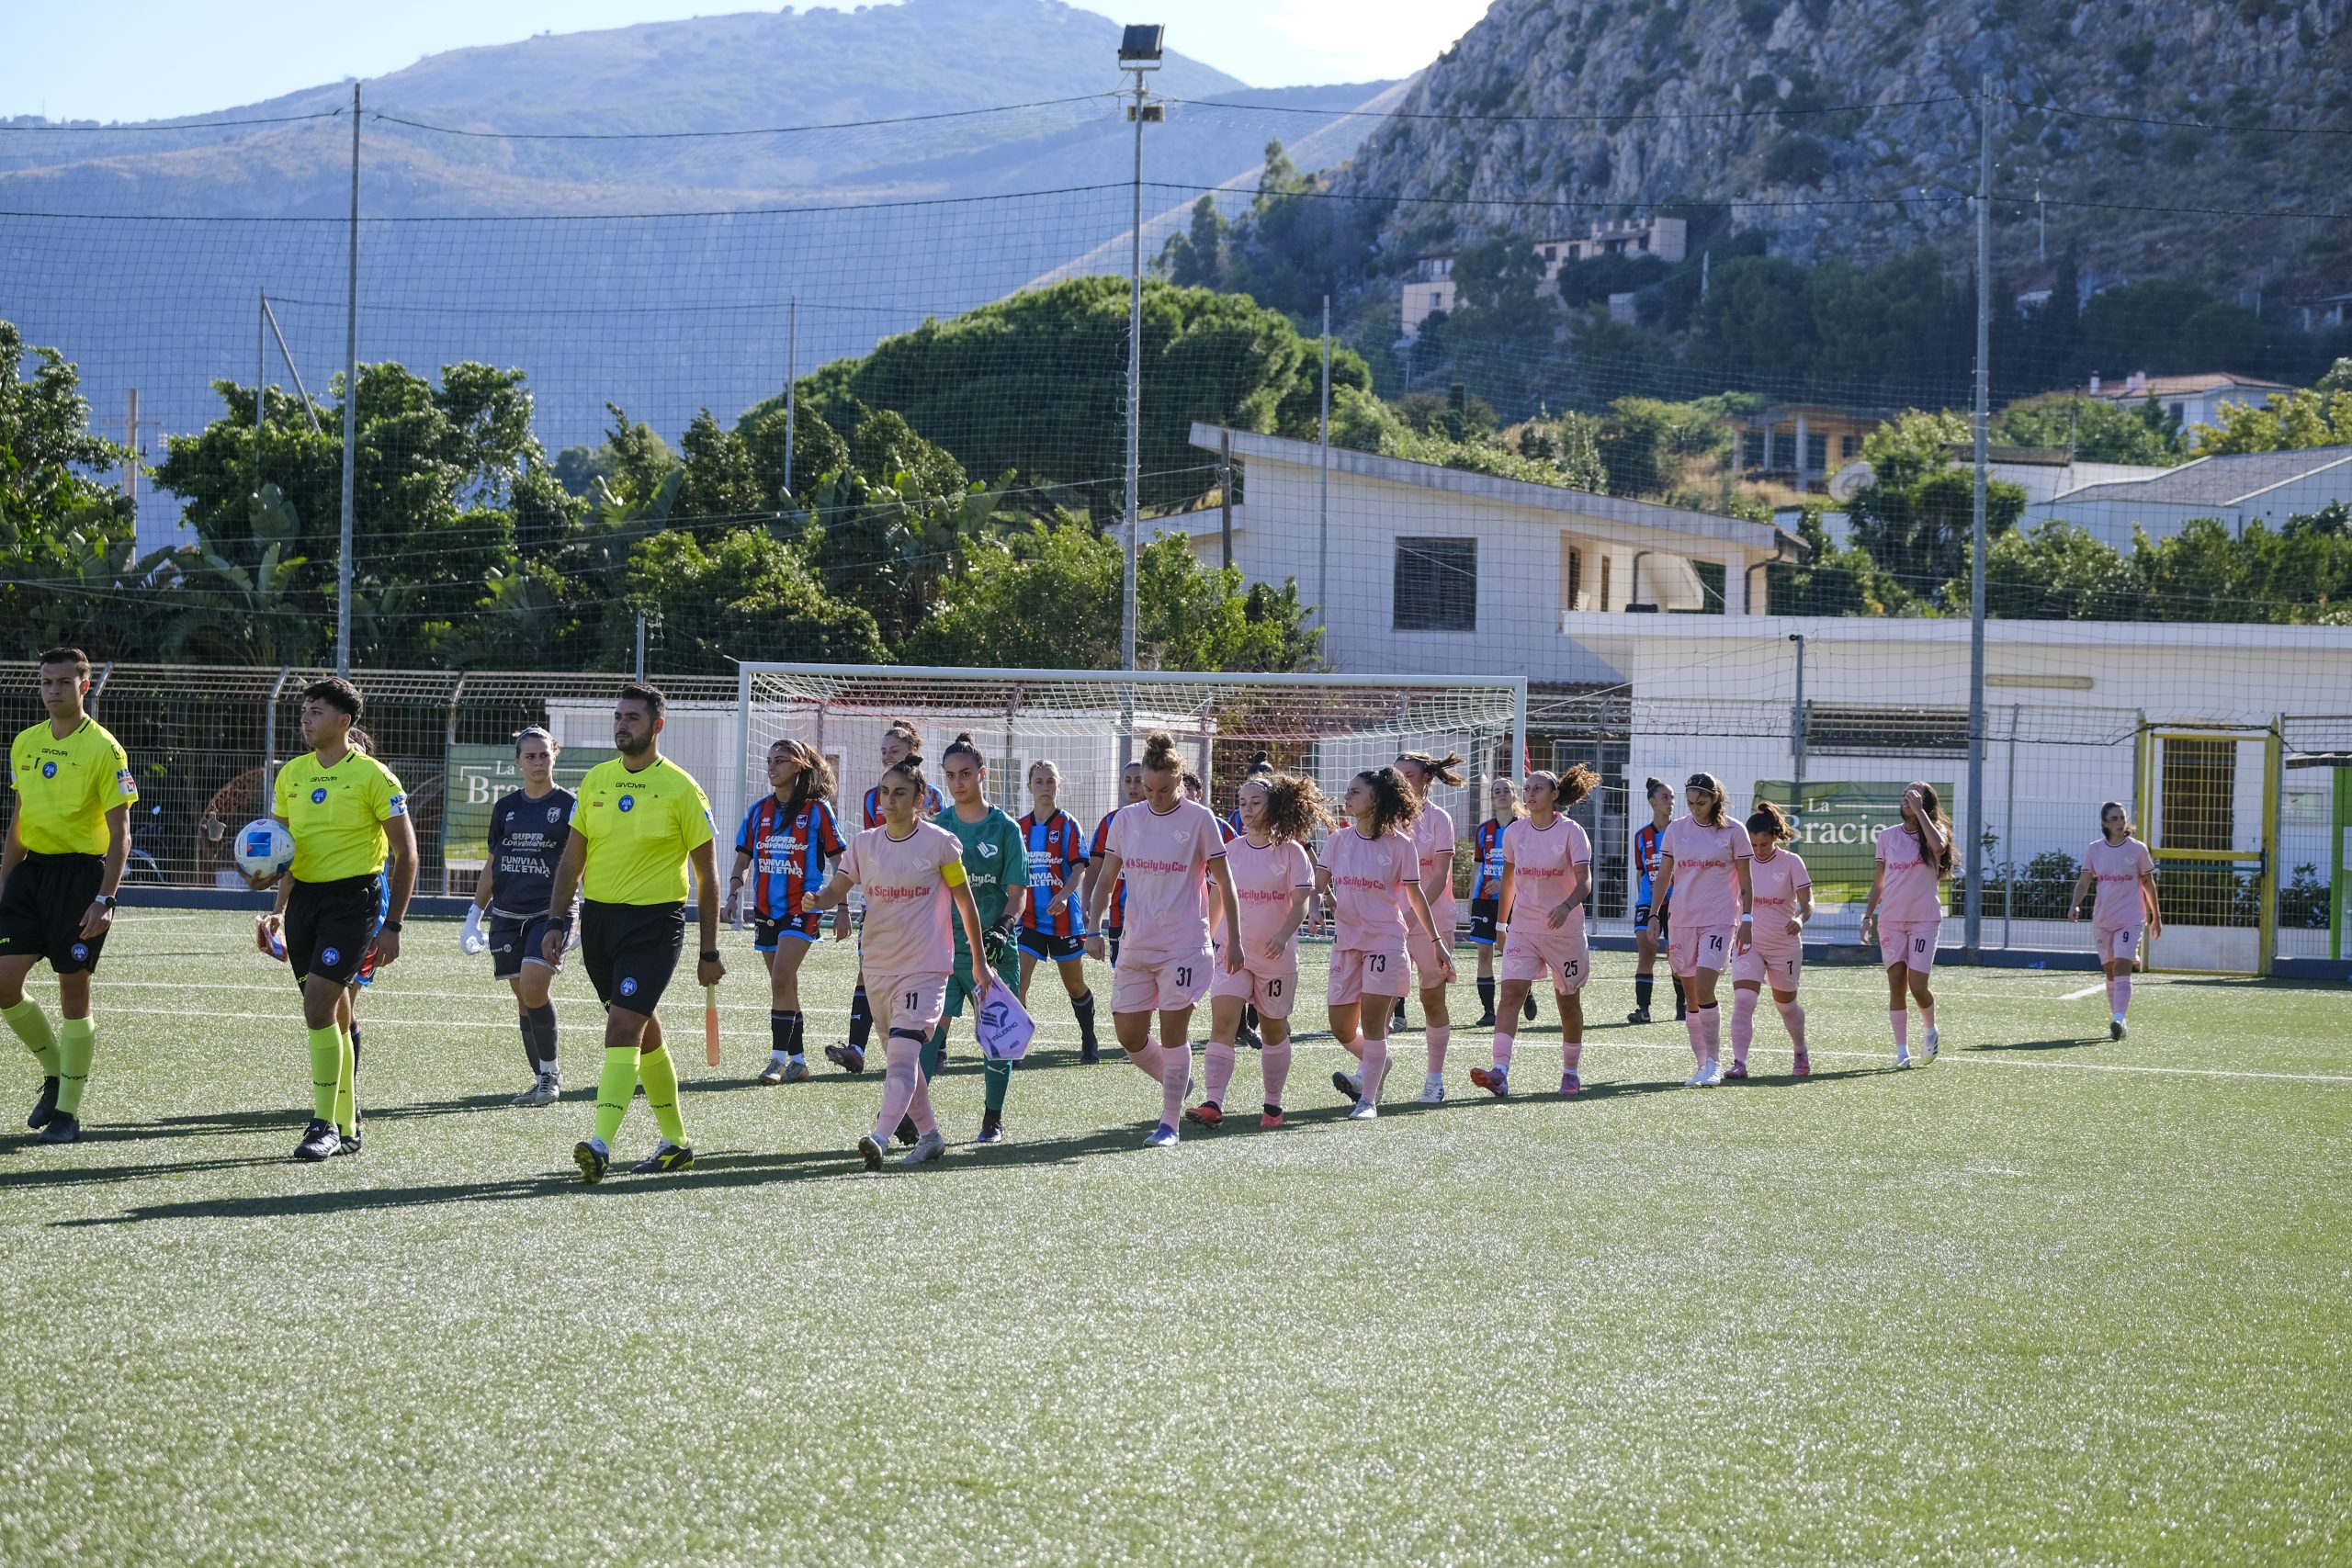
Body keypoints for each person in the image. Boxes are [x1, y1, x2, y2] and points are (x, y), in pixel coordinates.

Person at [541, 684, 723, 1182]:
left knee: (622, 1027)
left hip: (654, 925)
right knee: (643, 1031)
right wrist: (557, 920)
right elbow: (572, 860)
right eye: (618, 717)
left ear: (657, 726)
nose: (623, 725)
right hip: (599, 924)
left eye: (634, 718)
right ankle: (677, 1143)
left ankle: (599, 1144)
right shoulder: (597, 780)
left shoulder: (682, 789)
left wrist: (709, 950)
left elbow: (707, 877)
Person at [254, 678, 417, 1160]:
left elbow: (407, 855)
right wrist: (277, 908)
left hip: (355, 901)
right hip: (305, 901)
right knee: (336, 1014)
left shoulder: (374, 777)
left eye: (317, 711)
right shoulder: (291, 776)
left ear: (344, 721)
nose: (305, 717)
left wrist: (394, 925)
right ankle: (348, 1124)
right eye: (304, 709)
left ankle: (322, 1124)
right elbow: (281, 854)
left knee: (320, 1008)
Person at [808, 751, 990, 1170]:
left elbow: (966, 906)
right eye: (885, 792)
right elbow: (839, 887)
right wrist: (819, 898)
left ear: (921, 800)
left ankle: (881, 1136)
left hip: (926, 967)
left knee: (905, 1055)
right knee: (901, 1060)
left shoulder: (940, 844)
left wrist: (978, 963)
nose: (889, 801)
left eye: (900, 794)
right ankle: (930, 1137)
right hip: (877, 967)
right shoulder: (864, 844)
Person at [1, 648, 136, 1146]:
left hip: (82, 879)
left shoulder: (105, 749)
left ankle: (67, 1114)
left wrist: (106, 897)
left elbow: (121, 831)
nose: (53, 690)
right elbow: (19, 820)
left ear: (84, 687)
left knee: (73, 995)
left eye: (63, 681)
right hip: (31, 875)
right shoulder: (24, 743)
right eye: (45, 682)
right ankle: (56, 1070)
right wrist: (3, 884)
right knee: (3, 983)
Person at [1084, 732, 1240, 1147]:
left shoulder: (1200, 820)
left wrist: (1234, 941)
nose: (1154, 797)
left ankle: (1169, 1123)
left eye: (1163, 789)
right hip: (1135, 944)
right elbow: (1106, 879)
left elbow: (1225, 884)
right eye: (1147, 789)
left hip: (1184, 945)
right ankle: (1178, 1081)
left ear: (1180, 779)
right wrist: (1093, 928)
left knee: (1174, 1034)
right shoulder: (1126, 820)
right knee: (1129, 1035)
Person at [1185, 771, 1325, 1131]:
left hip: (1276, 958)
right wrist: (1208, 939)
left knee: (1274, 1030)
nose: (1247, 809)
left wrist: (1282, 936)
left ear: (1273, 806)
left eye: (1255, 802)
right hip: (1232, 953)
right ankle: (1213, 1102)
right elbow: (1217, 898)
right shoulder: (1229, 850)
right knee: (1223, 1023)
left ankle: (1273, 1108)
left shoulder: (1293, 852)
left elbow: (1301, 904)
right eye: (1242, 803)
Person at [1321, 766, 1452, 1122]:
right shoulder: (1337, 841)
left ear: (1376, 800)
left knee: (1376, 1023)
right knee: (1341, 1027)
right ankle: (1378, 1062)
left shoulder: (1400, 845)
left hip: (1386, 942)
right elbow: (1314, 884)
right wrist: (1308, 907)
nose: (1347, 797)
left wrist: (1436, 941)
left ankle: (1368, 1101)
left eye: (1355, 792)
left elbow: (1417, 896)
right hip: (1346, 943)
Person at [917, 734, 1029, 1145]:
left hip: (993, 952)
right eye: (950, 776)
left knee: (997, 1036)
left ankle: (992, 1120)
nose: (958, 782)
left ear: (983, 774)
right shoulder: (936, 828)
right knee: (929, 1030)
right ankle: (913, 1113)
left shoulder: (1005, 829)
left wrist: (1002, 926)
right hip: (944, 951)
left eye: (966, 774)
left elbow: (1017, 893)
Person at [463, 726, 576, 1106]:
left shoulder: (570, 805)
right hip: (507, 914)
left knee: (533, 987)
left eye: (544, 754)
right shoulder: (505, 808)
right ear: (517, 762)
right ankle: (542, 1076)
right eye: (530, 756)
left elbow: (582, 861)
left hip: (551, 912)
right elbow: (494, 862)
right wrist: (474, 914)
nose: (538, 762)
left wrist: (588, 908)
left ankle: (550, 1079)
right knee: (523, 997)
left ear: (555, 755)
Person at [1471, 766, 1598, 1099]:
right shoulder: (1514, 833)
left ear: (1554, 795)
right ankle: (1500, 1071)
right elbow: (1509, 882)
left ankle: (1570, 1072)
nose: (1530, 794)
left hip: (1563, 930)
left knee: (1567, 1004)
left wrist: (1567, 906)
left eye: (1538, 788)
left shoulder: (1572, 832)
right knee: (1511, 993)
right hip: (1523, 927)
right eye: (1527, 788)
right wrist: (1501, 925)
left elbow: (1585, 881)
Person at [727, 739, 842, 1086]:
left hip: (802, 909)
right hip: (765, 911)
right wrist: (734, 893)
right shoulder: (758, 811)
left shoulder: (818, 811)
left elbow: (840, 860)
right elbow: (744, 859)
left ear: (799, 767)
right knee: (785, 984)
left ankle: (776, 1060)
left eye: (780, 761)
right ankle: (799, 1062)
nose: (772, 767)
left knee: (780, 978)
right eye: (769, 761)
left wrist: (842, 905)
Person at [831, 720, 943, 1076]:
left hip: (922, 906)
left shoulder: (932, 796)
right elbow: (871, 849)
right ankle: (856, 1049)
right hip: (881, 901)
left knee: (930, 979)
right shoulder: (871, 797)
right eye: (883, 751)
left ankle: (934, 1051)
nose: (886, 757)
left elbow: (935, 849)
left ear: (912, 753)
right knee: (867, 972)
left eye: (893, 751)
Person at [1654, 772, 1751, 1088]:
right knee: (1691, 997)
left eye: (1702, 802)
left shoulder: (1735, 831)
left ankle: (1713, 1063)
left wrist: (1747, 920)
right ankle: (1702, 1065)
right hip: (1682, 919)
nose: (1696, 808)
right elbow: (1664, 875)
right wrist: (1655, 915)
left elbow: (1747, 883)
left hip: (1720, 919)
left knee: (1706, 985)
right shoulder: (1675, 830)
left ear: (1715, 799)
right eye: (1691, 802)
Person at [1860, 782, 1951, 1068]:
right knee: (1896, 984)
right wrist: (1867, 916)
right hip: (1891, 921)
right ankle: (1902, 1051)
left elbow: (1938, 846)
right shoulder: (1887, 837)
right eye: (1904, 796)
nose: (1906, 801)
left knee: (1917, 985)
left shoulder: (1935, 833)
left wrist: (1920, 812)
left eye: (1913, 797)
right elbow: (1879, 882)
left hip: (1924, 920)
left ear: (1925, 803)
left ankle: (1930, 1030)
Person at [1016, 761, 1102, 1062]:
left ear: (1058, 785)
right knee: (1017, 982)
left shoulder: (1067, 824)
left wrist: (1065, 895)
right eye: (1039, 782)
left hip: (1064, 919)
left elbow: (1080, 867)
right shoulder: (1020, 828)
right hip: (1028, 920)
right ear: (1029, 787)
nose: (1045, 787)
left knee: (1075, 985)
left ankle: (1089, 1038)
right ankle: (1016, 1046)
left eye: (1051, 781)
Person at [1395, 750, 1464, 1102]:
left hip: (1432, 921)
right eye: (1396, 774)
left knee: (1431, 999)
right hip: (1387, 922)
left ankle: (1434, 1081)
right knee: (1376, 998)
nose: (1401, 780)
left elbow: (1439, 876)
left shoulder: (1439, 820)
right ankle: (1367, 1074)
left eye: (1409, 774)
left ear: (1426, 779)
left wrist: (1411, 915)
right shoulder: (1384, 820)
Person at [1729, 801, 1813, 1079]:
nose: (1758, 850)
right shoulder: (1741, 863)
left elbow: (1808, 903)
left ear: (1774, 838)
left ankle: (1800, 1050)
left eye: (1763, 844)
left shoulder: (1792, 863)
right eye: (1752, 845)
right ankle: (1739, 1063)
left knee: (1786, 1006)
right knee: (1743, 1000)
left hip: (1784, 945)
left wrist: (1800, 919)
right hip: (1748, 942)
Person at [2070, 801, 2162, 1041]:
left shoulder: (2138, 849)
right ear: (2104, 824)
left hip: (2130, 919)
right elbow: (2084, 881)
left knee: (2122, 965)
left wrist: (2156, 917)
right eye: (2114, 819)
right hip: (2103, 919)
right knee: (2110, 970)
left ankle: (2119, 1017)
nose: (2120, 822)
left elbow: (2148, 884)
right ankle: (2118, 1021)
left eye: (2122, 817)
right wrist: (2074, 904)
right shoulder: (2095, 850)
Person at [1465, 778, 1537, 1029]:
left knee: (1514, 953)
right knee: (1484, 953)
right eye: (1497, 792)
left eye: (1507, 790)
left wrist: (1506, 883)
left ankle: (1525, 993)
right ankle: (1488, 1012)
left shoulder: (1526, 828)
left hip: (1517, 901)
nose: (1502, 794)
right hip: (1485, 900)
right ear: (1492, 799)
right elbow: (1477, 865)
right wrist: (1472, 897)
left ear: (1515, 796)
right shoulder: (1483, 830)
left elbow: (1531, 866)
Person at [1081, 759, 1147, 967]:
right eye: (1127, 781)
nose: (1133, 786)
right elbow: (1094, 867)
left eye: (1139, 780)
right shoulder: (1110, 822)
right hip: (1120, 917)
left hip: (1154, 919)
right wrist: (1086, 900)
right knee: (1122, 980)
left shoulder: (1162, 821)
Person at [1628, 778, 1682, 1024]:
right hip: (1649, 904)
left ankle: (1683, 1008)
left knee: (1676, 956)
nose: (1670, 802)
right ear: (1652, 801)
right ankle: (1643, 1009)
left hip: (1677, 905)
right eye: (1665, 797)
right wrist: (1648, 903)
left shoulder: (1682, 832)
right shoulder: (1641, 836)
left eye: (1672, 797)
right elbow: (1641, 872)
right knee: (1646, 951)